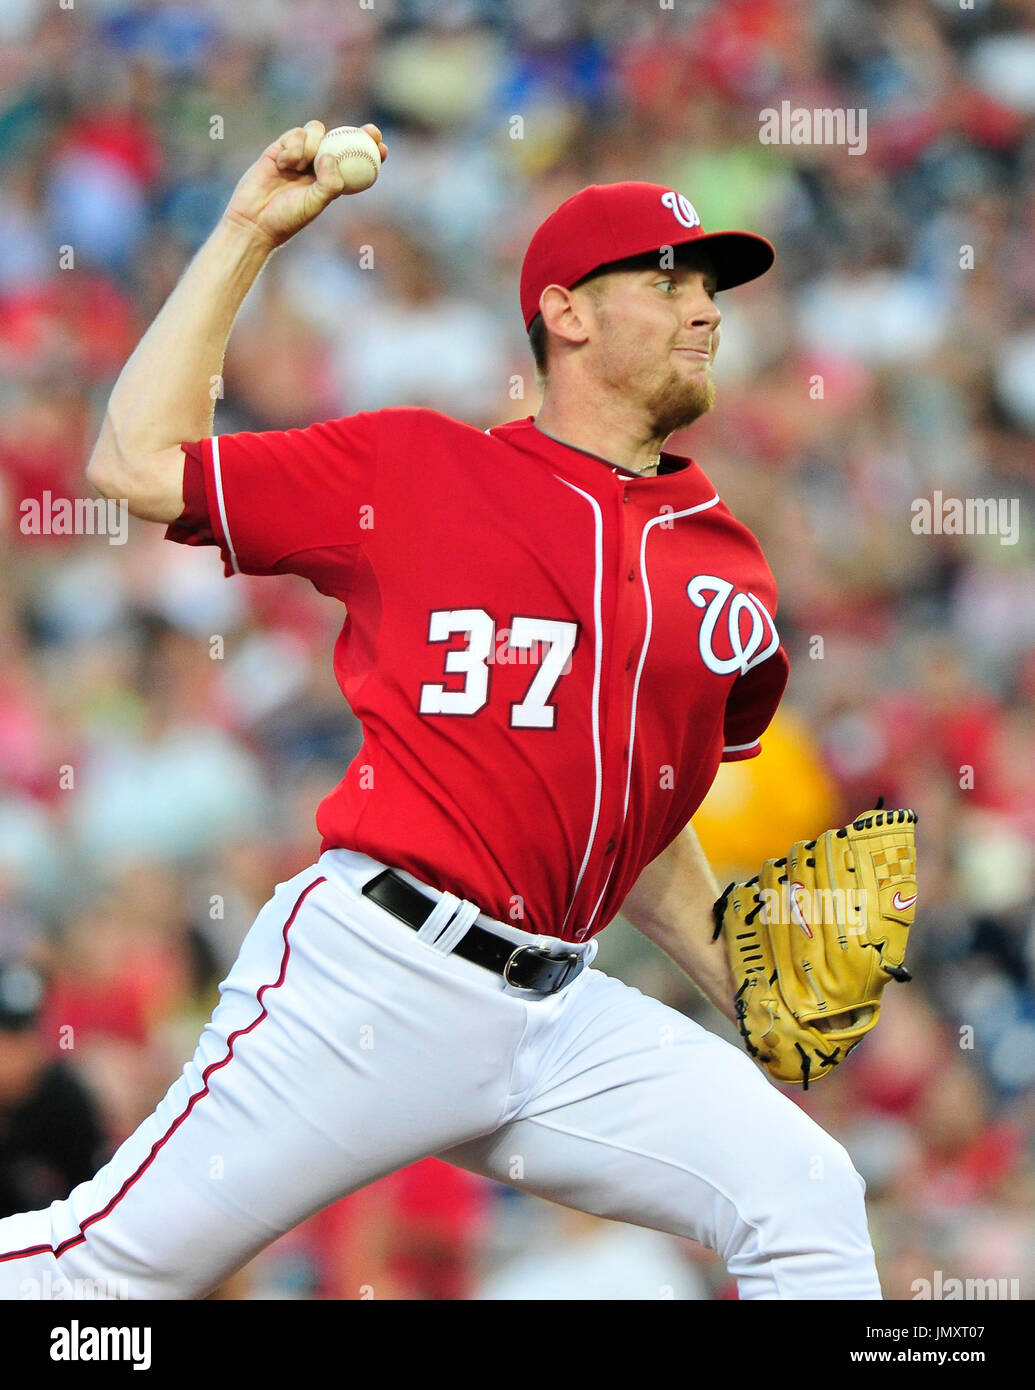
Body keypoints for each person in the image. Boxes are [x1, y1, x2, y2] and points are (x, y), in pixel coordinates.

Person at [0, 120, 880, 1300]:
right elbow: (136, 460)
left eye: (711, 286)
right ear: (566, 313)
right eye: (669, 279)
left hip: (559, 1011)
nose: (706, 307)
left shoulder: (723, 561)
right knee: (94, 1272)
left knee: (805, 1197)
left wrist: (752, 986)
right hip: (379, 970)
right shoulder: (415, 470)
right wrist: (250, 231)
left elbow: (635, 818)